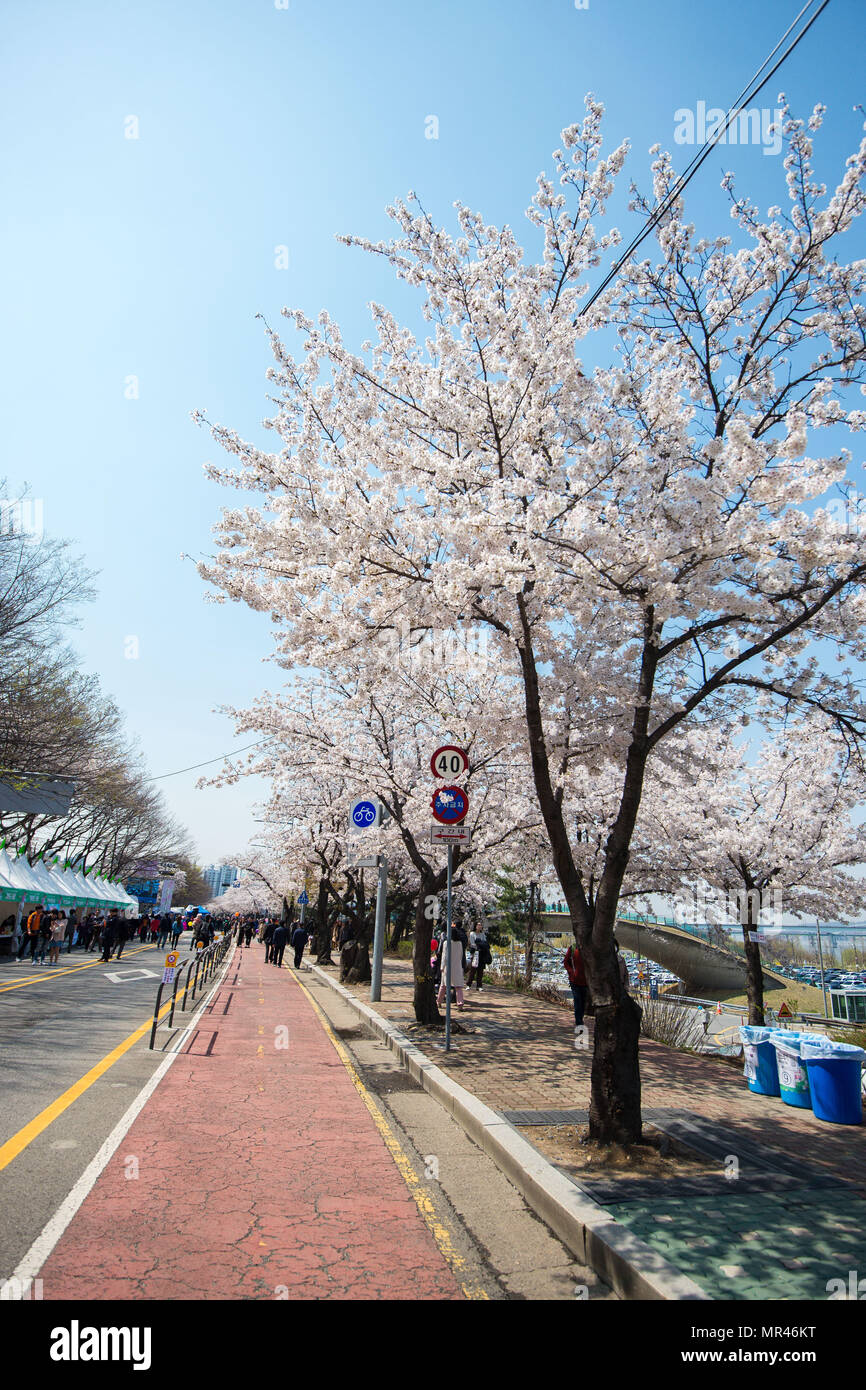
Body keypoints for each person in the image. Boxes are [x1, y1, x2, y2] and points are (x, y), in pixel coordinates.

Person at [436, 926, 466, 1010]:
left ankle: (439, 1002)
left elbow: (444, 956)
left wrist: (442, 967)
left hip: (447, 967)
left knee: (443, 986)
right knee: (458, 987)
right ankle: (460, 1004)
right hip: (457, 966)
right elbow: (461, 955)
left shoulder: (446, 943)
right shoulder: (459, 943)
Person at [564, 941, 587, 1028]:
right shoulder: (572, 948)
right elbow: (566, 962)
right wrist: (571, 972)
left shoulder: (589, 948)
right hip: (574, 981)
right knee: (577, 1000)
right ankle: (579, 1022)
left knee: (583, 1002)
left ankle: (580, 1018)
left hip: (585, 981)